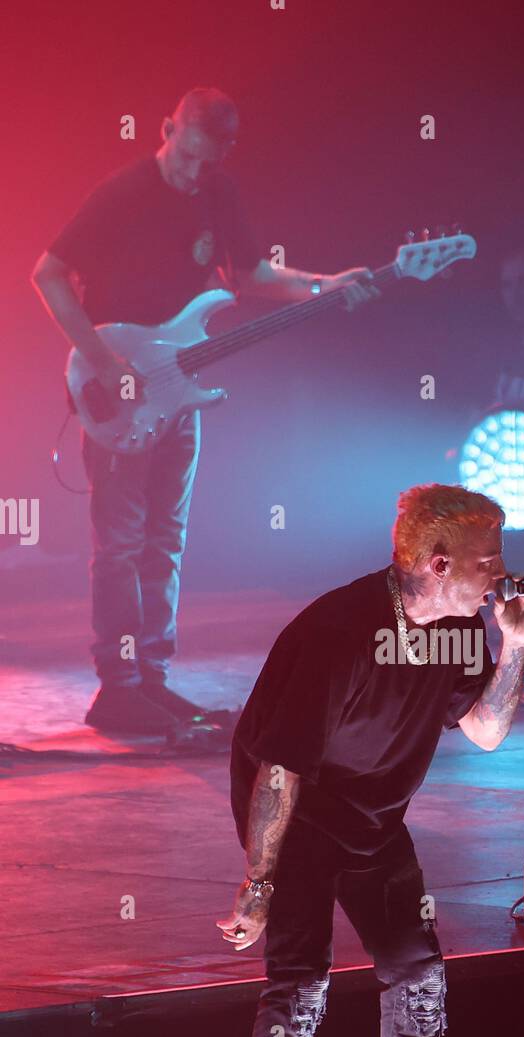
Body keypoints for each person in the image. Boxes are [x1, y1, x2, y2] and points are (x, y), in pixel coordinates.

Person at [220, 483, 524, 1037]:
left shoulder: (461, 628)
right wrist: (259, 880)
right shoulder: (338, 632)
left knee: (419, 970)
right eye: (487, 561)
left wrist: (517, 642)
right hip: (299, 816)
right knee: (300, 980)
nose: (501, 574)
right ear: (437, 565)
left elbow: (488, 732)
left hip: (375, 816)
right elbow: (280, 771)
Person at [31, 87, 378, 734]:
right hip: (120, 387)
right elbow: (47, 273)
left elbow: (249, 275)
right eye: (185, 155)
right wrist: (105, 363)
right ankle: (118, 685)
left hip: (178, 390)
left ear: (225, 153)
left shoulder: (220, 194)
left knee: (165, 542)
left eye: (206, 162)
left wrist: (325, 284)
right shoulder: (122, 191)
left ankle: (151, 680)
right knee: (121, 544)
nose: (192, 172)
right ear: (165, 128)